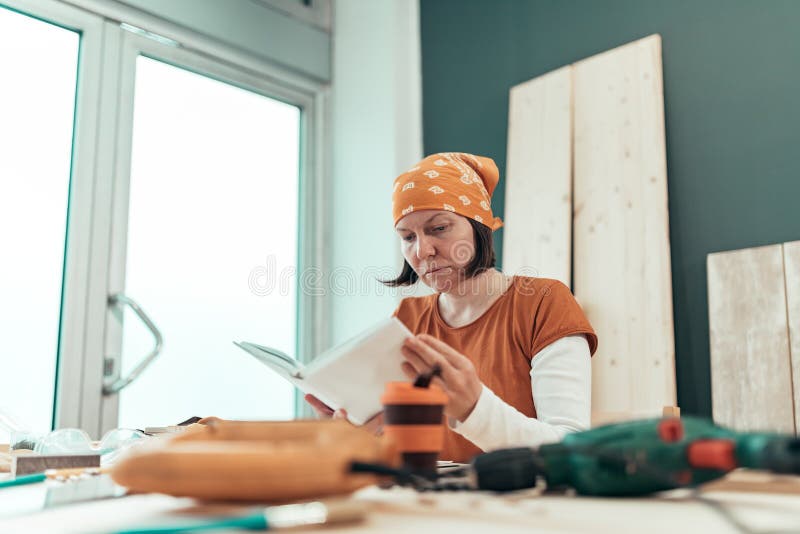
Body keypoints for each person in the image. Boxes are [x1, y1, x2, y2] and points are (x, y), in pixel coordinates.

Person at [307, 152, 597, 462]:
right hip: (433, 491)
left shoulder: (543, 302)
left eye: (439, 228)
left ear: (478, 225)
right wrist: (355, 434)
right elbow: (398, 447)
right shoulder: (407, 318)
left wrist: (474, 409)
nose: (423, 251)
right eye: (408, 237)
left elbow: (570, 448)